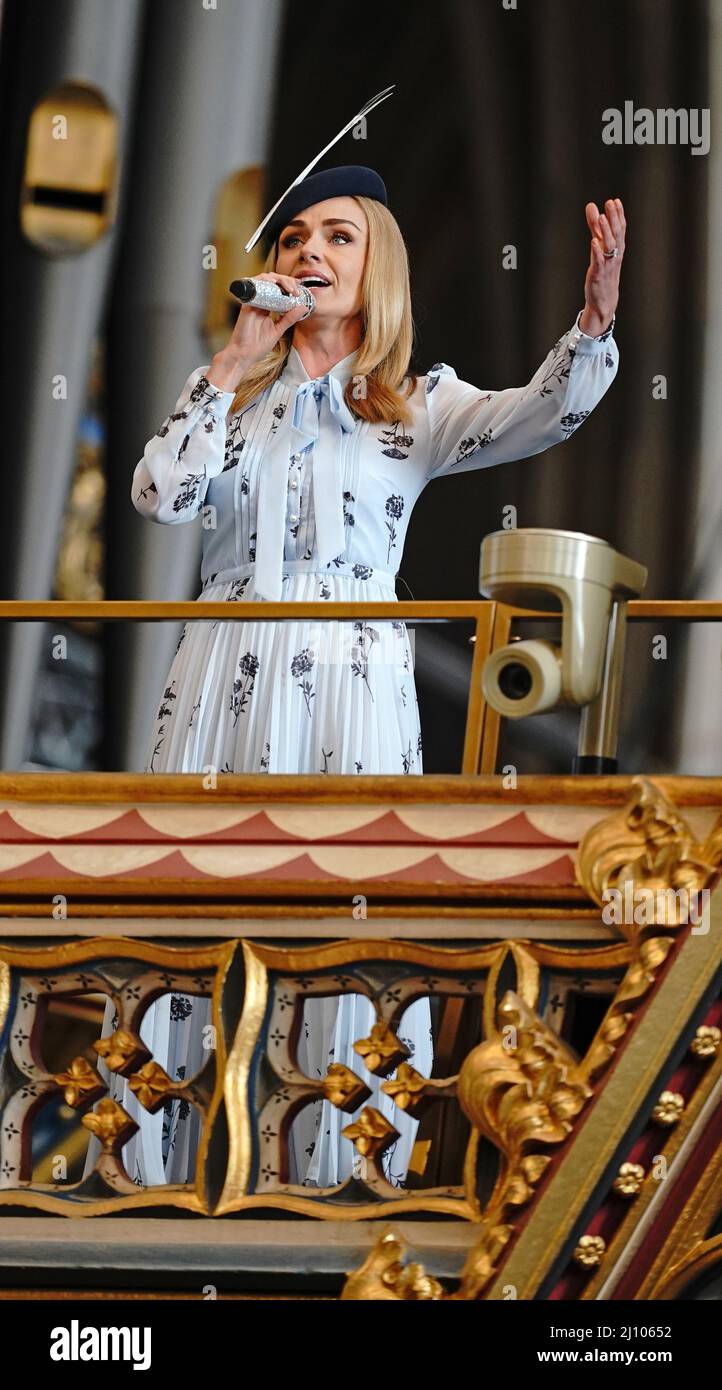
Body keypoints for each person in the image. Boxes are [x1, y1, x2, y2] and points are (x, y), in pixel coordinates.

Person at [107, 166, 625, 1192]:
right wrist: (230, 363)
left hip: (352, 673)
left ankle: (330, 1185)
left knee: (340, 913)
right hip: (223, 672)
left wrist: (592, 321)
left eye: (337, 237)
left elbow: (541, 413)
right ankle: (167, 1176)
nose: (307, 252)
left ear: (374, 264)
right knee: (190, 905)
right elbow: (160, 498)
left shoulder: (413, 406)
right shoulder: (229, 396)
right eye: (295, 235)